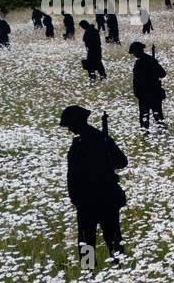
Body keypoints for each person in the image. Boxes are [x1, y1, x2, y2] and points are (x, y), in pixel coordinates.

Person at [60, 105, 128, 263]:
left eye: (70, 125)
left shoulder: (89, 142)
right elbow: (121, 162)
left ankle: (91, 272)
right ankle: (117, 267)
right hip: (102, 198)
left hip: (93, 199)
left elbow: (121, 162)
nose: (69, 129)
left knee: (89, 240)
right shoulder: (98, 139)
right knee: (110, 238)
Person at [129, 41, 167, 129]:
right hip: (151, 93)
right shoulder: (150, 60)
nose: (134, 55)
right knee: (157, 117)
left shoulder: (141, 63)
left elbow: (162, 74)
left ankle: (148, 133)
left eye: (134, 52)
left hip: (147, 94)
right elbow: (162, 74)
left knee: (146, 118)